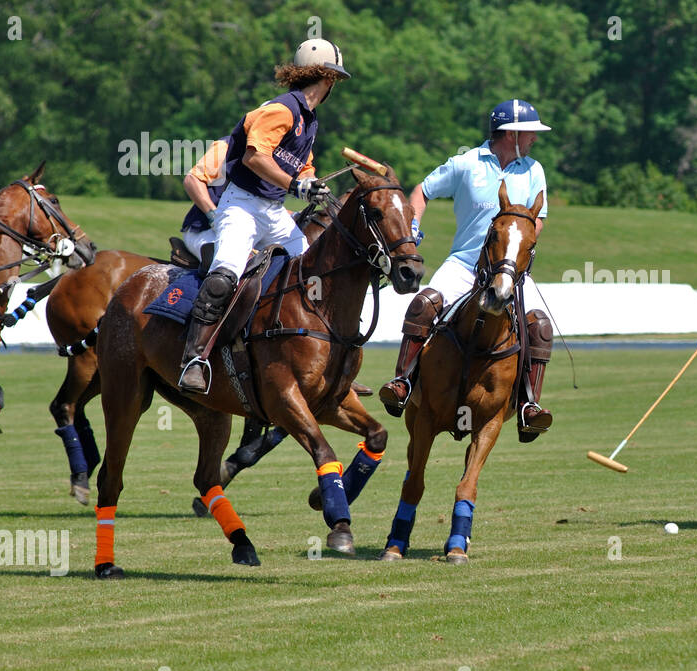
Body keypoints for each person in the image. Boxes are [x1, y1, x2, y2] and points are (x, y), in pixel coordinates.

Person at [178, 39, 347, 393]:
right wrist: (296, 188)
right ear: (328, 78)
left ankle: (328, 359)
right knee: (225, 274)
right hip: (241, 206)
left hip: (272, 212)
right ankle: (194, 359)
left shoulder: (309, 120)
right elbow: (256, 158)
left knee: (314, 268)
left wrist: (313, 186)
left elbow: (304, 169)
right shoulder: (283, 110)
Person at [378, 99, 554, 436]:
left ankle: (529, 405)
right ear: (512, 134)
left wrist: (517, 256)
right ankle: (402, 383)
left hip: (509, 271)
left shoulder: (534, 170)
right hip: (464, 264)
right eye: (530, 132)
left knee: (540, 326)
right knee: (423, 304)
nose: (535, 138)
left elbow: (537, 220)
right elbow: (423, 191)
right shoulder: (466, 163)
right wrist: (412, 230)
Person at [178, 137, 231, 267]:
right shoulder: (226, 146)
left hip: (245, 232)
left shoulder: (276, 154)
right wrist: (215, 218)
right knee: (226, 265)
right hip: (205, 229)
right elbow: (192, 180)